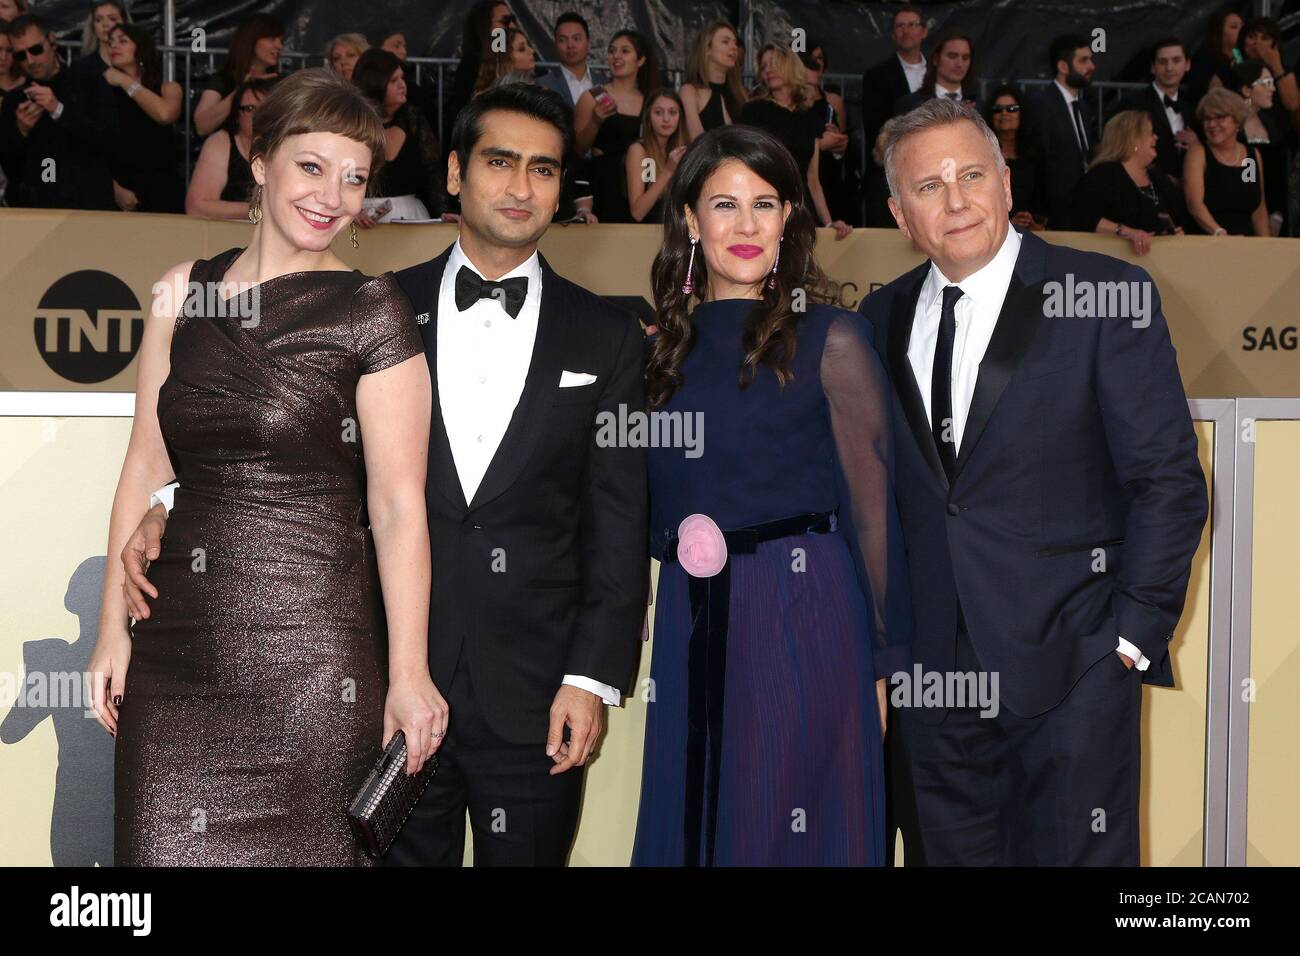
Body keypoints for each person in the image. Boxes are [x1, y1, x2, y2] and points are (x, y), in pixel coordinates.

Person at [94, 68, 443, 866]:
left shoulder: (372, 309)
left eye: (355, 177)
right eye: (312, 167)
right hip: (178, 658)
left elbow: (396, 507)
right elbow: (143, 465)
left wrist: (408, 671)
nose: (334, 195)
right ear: (259, 163)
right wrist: (112, 632)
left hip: (314, 669)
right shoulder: (183, 294)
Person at [860, 96, 1206, 866]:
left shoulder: (1104, 297)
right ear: (899, 213)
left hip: (1073, 665)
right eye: (928, 186)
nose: (956, 200)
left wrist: (1128, 638)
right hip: (931, 687)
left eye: (972, 174)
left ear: (1007, 184)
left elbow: (1168, 481)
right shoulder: (875, 320)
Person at [377, 83, 647, 866]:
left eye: (544, 169)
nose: (522, 187)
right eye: (500, 162)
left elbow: (617, 522)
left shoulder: (607, 334)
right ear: (456, 173)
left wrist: (592, 678)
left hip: (540, 701)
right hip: (401, 688)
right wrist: (170, 498)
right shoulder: (384, 308)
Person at [633, 124, 911, 866]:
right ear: (690, 218)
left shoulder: (834, 338)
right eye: (724, 204)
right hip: (692, 621)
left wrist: (885, 667)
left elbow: (875, 514)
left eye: (765, 204)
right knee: (698, 820)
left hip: (804, 613)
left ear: (790, 216)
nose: (747, 225)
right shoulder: (656, 351)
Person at [0, 14, 118, 210]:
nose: (30, 60)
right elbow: (11, 166)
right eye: (21, 55)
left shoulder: (89, 83)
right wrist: (21, 131)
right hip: (38, 209)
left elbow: (109, 139)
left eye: (36, 50)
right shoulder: (15, 100)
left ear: (52, 42)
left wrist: (59, 110)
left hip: (89, 205)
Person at [740, 43, 851, 238]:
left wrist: (828, 223)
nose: (768, 70)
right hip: (764, 208)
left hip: (800, 211)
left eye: (774, 63)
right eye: (764, 66)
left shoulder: (808, 116)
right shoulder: (753, 111)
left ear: (790, 65)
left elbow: (813, 180)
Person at [352, 48, 446, 222]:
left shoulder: (413, 118)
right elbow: (344, 171)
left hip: (411, 219)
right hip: (362, 221)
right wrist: (350, 211)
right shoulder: (353, 124)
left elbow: (433, 172)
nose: (403, 85)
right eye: (394, 80)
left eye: (402, 78)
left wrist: (443, 213)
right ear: (375, 84)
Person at [1072, 109, 1186, 253]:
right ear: (1133, 139)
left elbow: (1175, 217)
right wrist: (1126, 231)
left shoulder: (1157, 176)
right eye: (1150, 133)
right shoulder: (1103, 175)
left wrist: (1175, 234)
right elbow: (1084, 217)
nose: (1156, 137)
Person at [574, 29, 655, 224]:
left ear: (641, 60)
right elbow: (576, 149)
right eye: (612, 51)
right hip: (604, 184)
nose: (616, 56)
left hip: (640, 185)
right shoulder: (592, 96)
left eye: (625, 51)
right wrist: (595, 120)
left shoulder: (651, 100)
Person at [101, 23, 184, 214]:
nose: (114, 46)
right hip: (121, 189)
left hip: (162, 188)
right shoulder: (104, 92)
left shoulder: (167, 88)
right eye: (111, 42)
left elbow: (165, 114)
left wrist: (125, 81)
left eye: (123, 41)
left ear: (141, 48)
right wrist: (115, 189)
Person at [186, 74, 279, 220]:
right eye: (249, 109)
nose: (257, 115)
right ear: (236, 116)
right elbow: (196, 206)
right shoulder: (221, 143)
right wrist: (258, 209)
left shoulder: (289, 145)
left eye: (264, 109)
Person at [1183, 87, 1269, 236]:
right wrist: (1220, 233)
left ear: (1237, 121)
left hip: (1246, 244)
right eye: (1207, 119)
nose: (1211, 124)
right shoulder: (1198, 153)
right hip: (1209, 242)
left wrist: (1267, 245)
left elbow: (1258, 208)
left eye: (1219, 118)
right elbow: (1194, 204)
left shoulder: (1250, 156)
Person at [1119, 38, 1199, 185]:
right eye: (1162, 62)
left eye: (1176, 60)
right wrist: (1161, 178)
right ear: (1153, 67)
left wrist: (1197, 144)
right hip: (1146, 188)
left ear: (1187, 65)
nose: (1169, 68)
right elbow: (1122, 148)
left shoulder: (1192, 107)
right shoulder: (1133, 103)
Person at [1037, 33, 1097, 230]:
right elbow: (1041, 160)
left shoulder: (1084, 106)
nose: (1092, 66)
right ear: (1063, 66)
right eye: (1083, 60)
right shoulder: (1043, 105)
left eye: (1091, 59)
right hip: (1055, 214)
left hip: (1083, 208)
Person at [192, 13, 282, 137]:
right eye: (272, 39)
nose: (279, 46)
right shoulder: (223, 80)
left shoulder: (281, 82)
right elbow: (201, 126)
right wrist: (241, 90)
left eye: (280, 40)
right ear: (251, 40)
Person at [800, 42, 855, 225]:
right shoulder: (792, 104)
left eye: (820, 58)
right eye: (812, 59)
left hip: (829, 176)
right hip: (804, 174)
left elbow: (844, 142)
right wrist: (819, 144)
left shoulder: (833, 101)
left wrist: (838, 145)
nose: (817, 64)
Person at [860, 5, 927, 152]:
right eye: (900, 26)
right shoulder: (876, 76)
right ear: (893, 34)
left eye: (912, 25)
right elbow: (874, 127)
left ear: (924, 31)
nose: (906, 30)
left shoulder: (938, 71)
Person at [1232, 59, 1285, 235]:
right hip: (1239, 217)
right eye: (1266, 83)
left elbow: (1279, 174)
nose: (1273, 89)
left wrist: (1277, 215)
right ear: (1246, 90)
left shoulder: (1271, 123)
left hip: (1273, 212)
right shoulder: (1229, 127)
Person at [983, 85, 1046, 230]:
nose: (1004, 113)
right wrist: (1009, 222)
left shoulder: (1035, 153)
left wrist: (1034, 221)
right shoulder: (982, 152)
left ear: (1022, 113)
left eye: (1012, 109)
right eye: (998, 109)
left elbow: (1043, 197)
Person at [448, 1, 513, 138]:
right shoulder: (471, 65)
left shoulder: (512, 60)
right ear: (485, 26)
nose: (512, 27)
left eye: (512, 20)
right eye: (505, 22)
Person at [624, 88, 687, 223]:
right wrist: (668, 171)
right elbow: (638, 212)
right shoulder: (640, 151)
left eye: (672, 112)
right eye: (658, 112)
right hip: (641, 234)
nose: (666, 119)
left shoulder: (680, 150)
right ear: (648, 116)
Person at [678, 21, 744, 141]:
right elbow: (697, 143)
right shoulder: (690, 91)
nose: (734, 47)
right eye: (725, 41)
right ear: (707, 49)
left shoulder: (740, 94)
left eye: (735, 42)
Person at [894, 30, 977, 113]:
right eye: (952, 56)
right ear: (936, 59)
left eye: (965, 58)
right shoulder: (910, 105)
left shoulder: (979, 106)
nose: (959, 64)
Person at [535, 12, 605, 109]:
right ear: (556, 45)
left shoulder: (603, 83)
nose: (570, 45)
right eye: (562, 40)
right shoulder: (543, 85)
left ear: (588, 43)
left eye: (576, 38)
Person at [1188, 4, 1244, 104]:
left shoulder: (1240, 54)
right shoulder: (1205, 58)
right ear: (1220, 32)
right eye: (1234, 27)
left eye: (1242, 26)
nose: (1242, 30)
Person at [71, 0, 126, 79]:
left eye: (112, 19)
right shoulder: (81, 67)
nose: (105, 24)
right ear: (93, 26)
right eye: (98, 20)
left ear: (125, 22)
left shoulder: (138, 62)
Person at [472, 26, 535, 95]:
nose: (532, 51)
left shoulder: (536, 89)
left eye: (529, 45)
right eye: (521, 49)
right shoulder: (485, 97)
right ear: (503, 57)